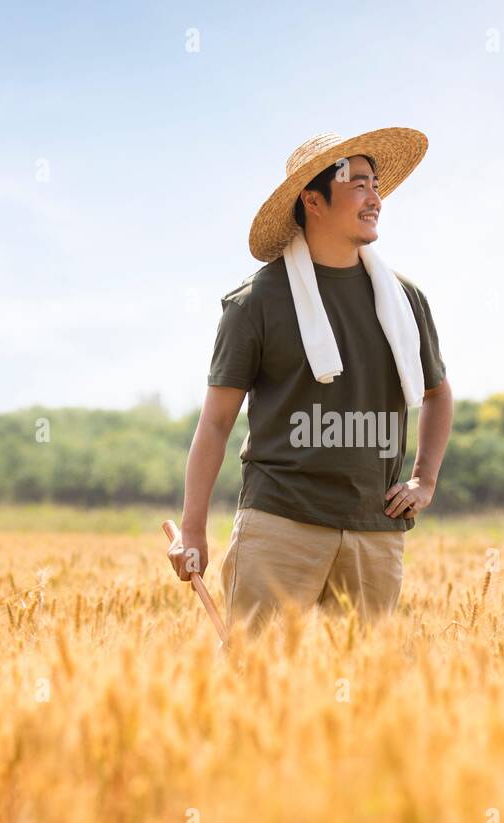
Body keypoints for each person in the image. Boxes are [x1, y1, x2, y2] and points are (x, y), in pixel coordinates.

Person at [169, 127, 453, 635]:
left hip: (376, 531)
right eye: (360, 185)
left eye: (376, 185)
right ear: (313, 201)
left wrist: (425, 480)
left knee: (363, 695)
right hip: (279, 525)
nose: (376, 199)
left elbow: (436, 393)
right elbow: (214, 423)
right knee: (254, 685)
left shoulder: (405, 299)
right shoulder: (255, 302)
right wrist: (192, 530)